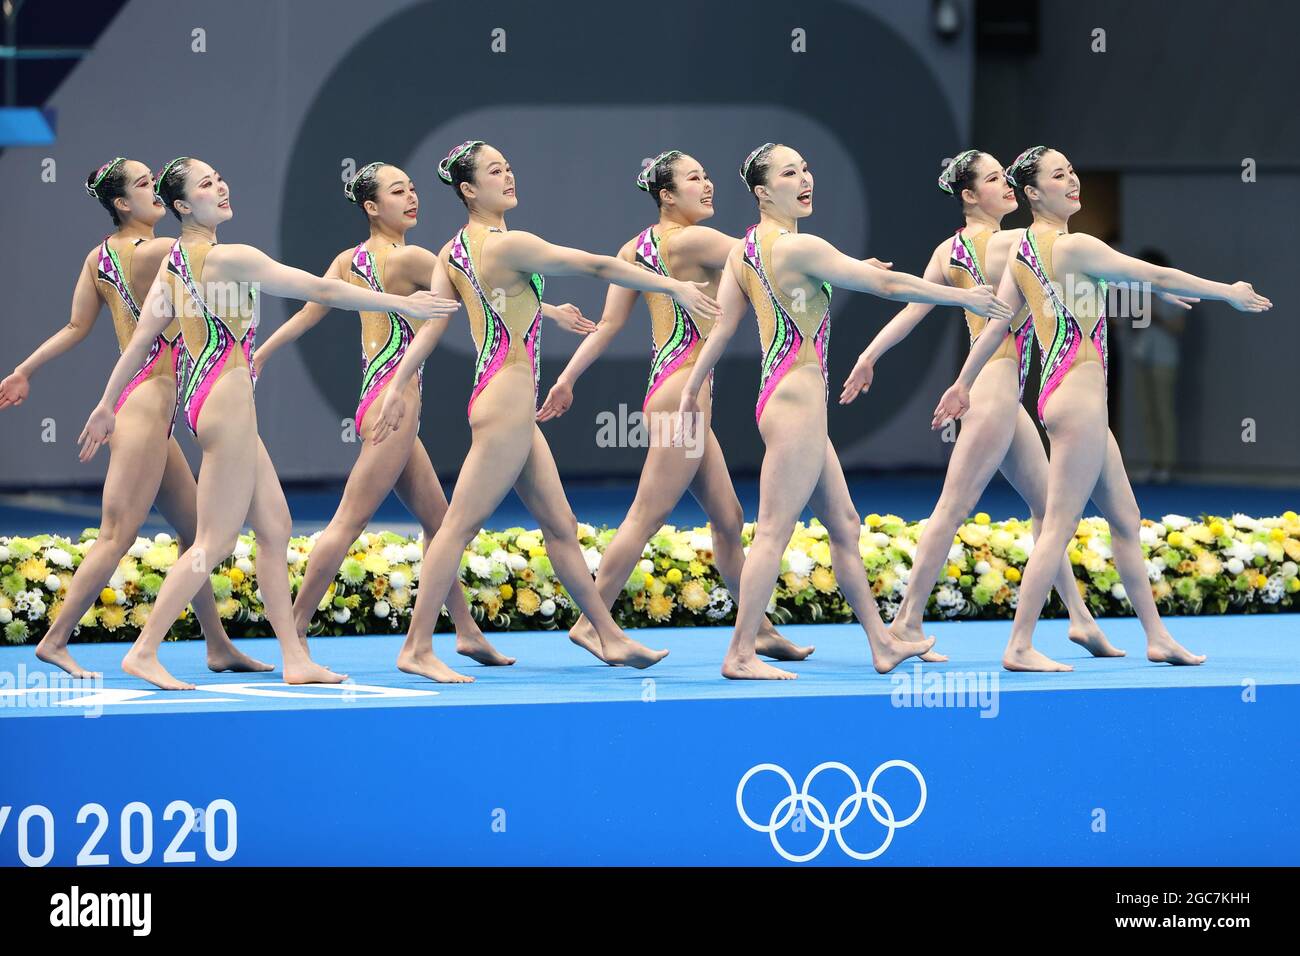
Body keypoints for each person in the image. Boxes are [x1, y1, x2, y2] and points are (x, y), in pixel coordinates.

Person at [77, 157, 457, 689]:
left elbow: (142, 340)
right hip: (227, 402)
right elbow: (320, 290)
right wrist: (400, 301)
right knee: (212, 543)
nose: (222, 185)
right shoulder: (230, 256)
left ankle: (294, 658)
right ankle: (143, 650)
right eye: (207, 184)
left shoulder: (177, 263)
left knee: (275, 528)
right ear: (183, 205)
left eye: (219, 177)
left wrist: (105, 403)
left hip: (211, 400)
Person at [369, 140, 721, 681]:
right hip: (507, 402)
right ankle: (416, 647)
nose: (508, 176)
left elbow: (441, 318)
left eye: (509, 167)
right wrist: (670, 283)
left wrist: (396, 382)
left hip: (504, 399)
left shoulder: (453, 251)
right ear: (468, 190)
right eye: (494, 171)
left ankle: (606, 633)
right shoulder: (510, 244)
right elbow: (596, 265)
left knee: (560, 527)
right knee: (457, 528)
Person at [677, 143, 1014, 679]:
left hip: (780, 398)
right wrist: (963, 298)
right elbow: (884, 284)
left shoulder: (745, 251)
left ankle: (882, 643)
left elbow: (722, 327)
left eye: (806, 168)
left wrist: (691, 391)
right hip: (797, 403)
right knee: (773, 532)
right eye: (790, 172)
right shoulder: (801, 245)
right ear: (763, 192)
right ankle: (740, 654)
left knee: (845, 523)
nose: (805, 177)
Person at [933, 146, 1270, 671]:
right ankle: (1019, 645)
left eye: (1072, 172)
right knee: (1058, 524)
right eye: (1057, 176)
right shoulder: (1076, 245)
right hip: (1078, 401)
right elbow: (1154, 276)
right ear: (1032, 194)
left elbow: (1000, 321)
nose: (1072, 181)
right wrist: (1227, 291)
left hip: (1066, 397)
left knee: (1126, 519)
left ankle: (1157, 637)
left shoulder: (1027, 255)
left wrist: (961, 382)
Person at [536, 150, 813, 664]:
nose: (707, 186)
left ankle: (761, 631)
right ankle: (590, 621)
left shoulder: (634, 247)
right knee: (646, 514)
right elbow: (771, 258)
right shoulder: (698, 240)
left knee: (728, 517)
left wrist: (567, 377)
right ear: (666, 195)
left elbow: (609, 326)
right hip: (683, 398)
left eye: (707, 176)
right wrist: (843, 268)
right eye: (694, 179)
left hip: (666, 392)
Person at [840, 149, 1118, 661]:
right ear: (969, 196)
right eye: (995, 179)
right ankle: (905, 621)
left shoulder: (949, 249)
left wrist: (867, 354)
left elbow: (913, 309)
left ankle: (1080, 619)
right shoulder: (1014, 240)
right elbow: (1054, 237)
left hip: (1001, 391)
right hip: (993, 388)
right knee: (954, 507)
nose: (1008, 184)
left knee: (1047, 509)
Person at [0, 157, 270, 679]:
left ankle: (217, 645)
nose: (156, 194)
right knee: (117, 533)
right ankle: (54, 641)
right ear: (123, 203)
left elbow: (76, 326)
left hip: (150, 405)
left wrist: (23, 370)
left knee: (198, 535)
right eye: (146, 186)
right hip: (148, 400)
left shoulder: (98, 257)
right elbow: (203, 250)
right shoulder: (164, 250)